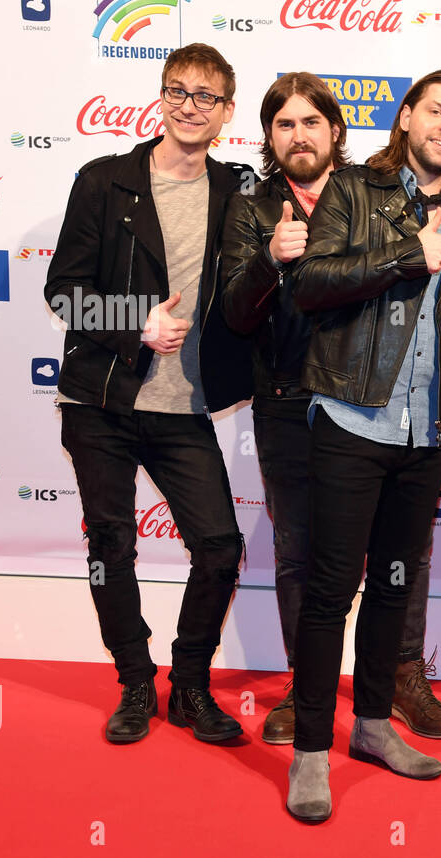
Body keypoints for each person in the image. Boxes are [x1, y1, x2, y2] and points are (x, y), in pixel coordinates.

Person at [284, 70, 441, 823]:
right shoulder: (355, 191)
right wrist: (402, 256)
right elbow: (310, 285)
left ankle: (375, 724)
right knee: (331, 590)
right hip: (353, 420)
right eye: (437, 111)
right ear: (408, 117)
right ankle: (312, 751)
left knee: (394, 583)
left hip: (424, 434)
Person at [220, 72, 441, 747]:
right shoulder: (253, 208)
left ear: (334, 129)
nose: (299, 135)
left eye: (311, 122)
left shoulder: (376, 192)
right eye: (284, 124)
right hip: (288, 398)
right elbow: (236, 313)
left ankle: (401, 675)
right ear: (269, 136)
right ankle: (308, 682)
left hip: (372, 400)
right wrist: (270, 261)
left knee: (398, 552)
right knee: (300, 548)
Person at [45, 44, 254, 745]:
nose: (189, 106)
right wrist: (136, 323)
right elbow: (63, 292)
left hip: (184, 407)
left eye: (206, 96)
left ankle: (189, 682)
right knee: (111, 544)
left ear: (226, 111)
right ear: (161, 97)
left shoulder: (236, 192)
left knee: (220, 546)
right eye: (178, 91)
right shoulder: (105, 182)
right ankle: (134, 679)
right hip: (102, 399)